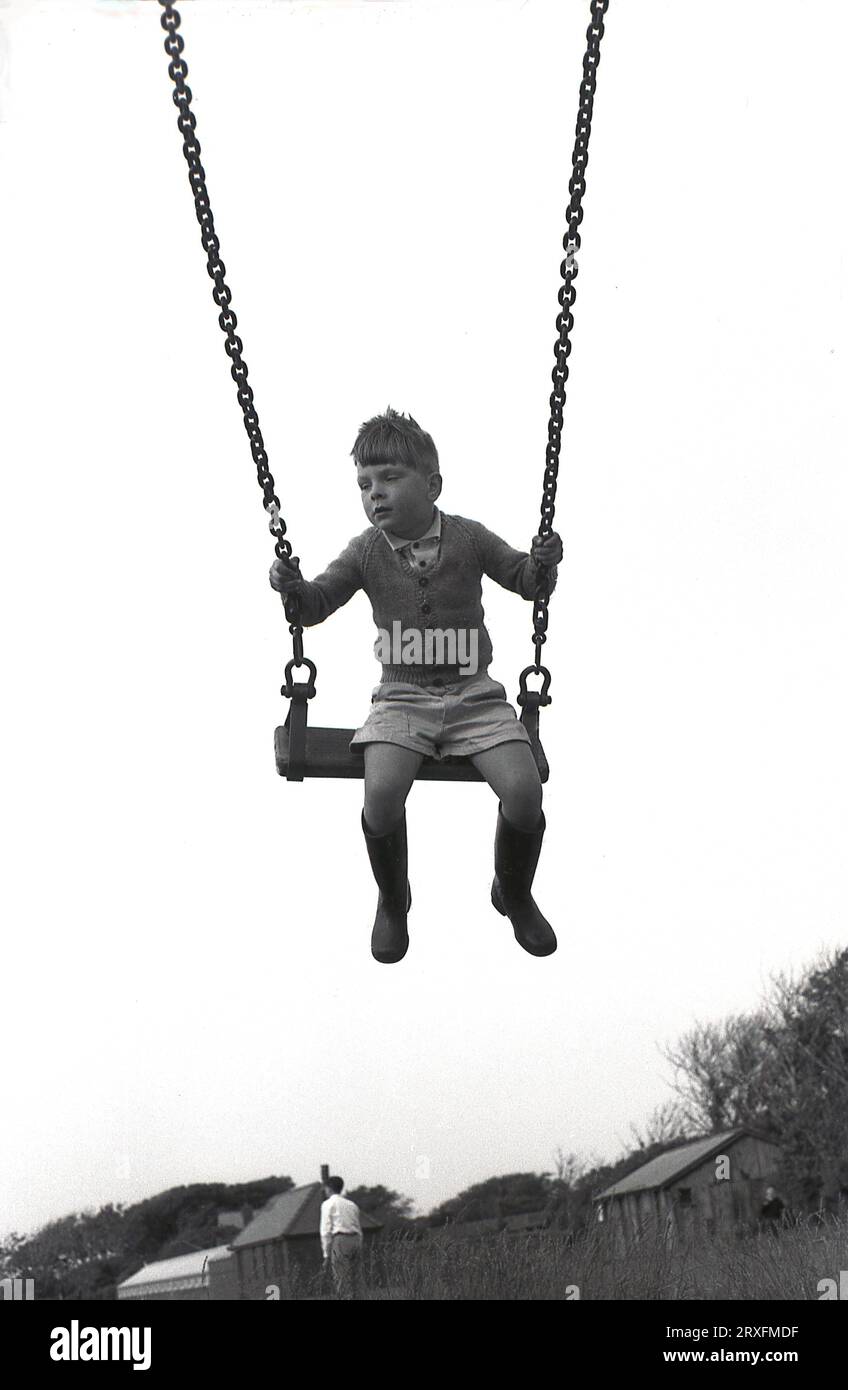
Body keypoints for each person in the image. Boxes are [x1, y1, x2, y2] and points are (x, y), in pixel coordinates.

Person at [270, 408, 563, 964]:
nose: (374, 494)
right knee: (380, 795)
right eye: (364, 484)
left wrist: (542, 563)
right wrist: (293, 589)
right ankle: (392, 898)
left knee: (525, 793)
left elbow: (524, 579)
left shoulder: (469, 537)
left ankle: (515, 892)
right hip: (401, 700)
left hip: (476, 696)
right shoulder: (365, 551)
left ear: (432, 486)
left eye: (389, 478)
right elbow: (317, 603)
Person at [319, 1176, 363, 1300]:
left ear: (329, 1188)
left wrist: (326, 1254)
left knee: (342, 1279)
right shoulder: (352, 1205)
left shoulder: (328, 1204)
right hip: (356, 1239)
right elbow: (358, 1227)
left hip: (340, 1239)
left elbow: (326, 1230)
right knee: (357, 1279)